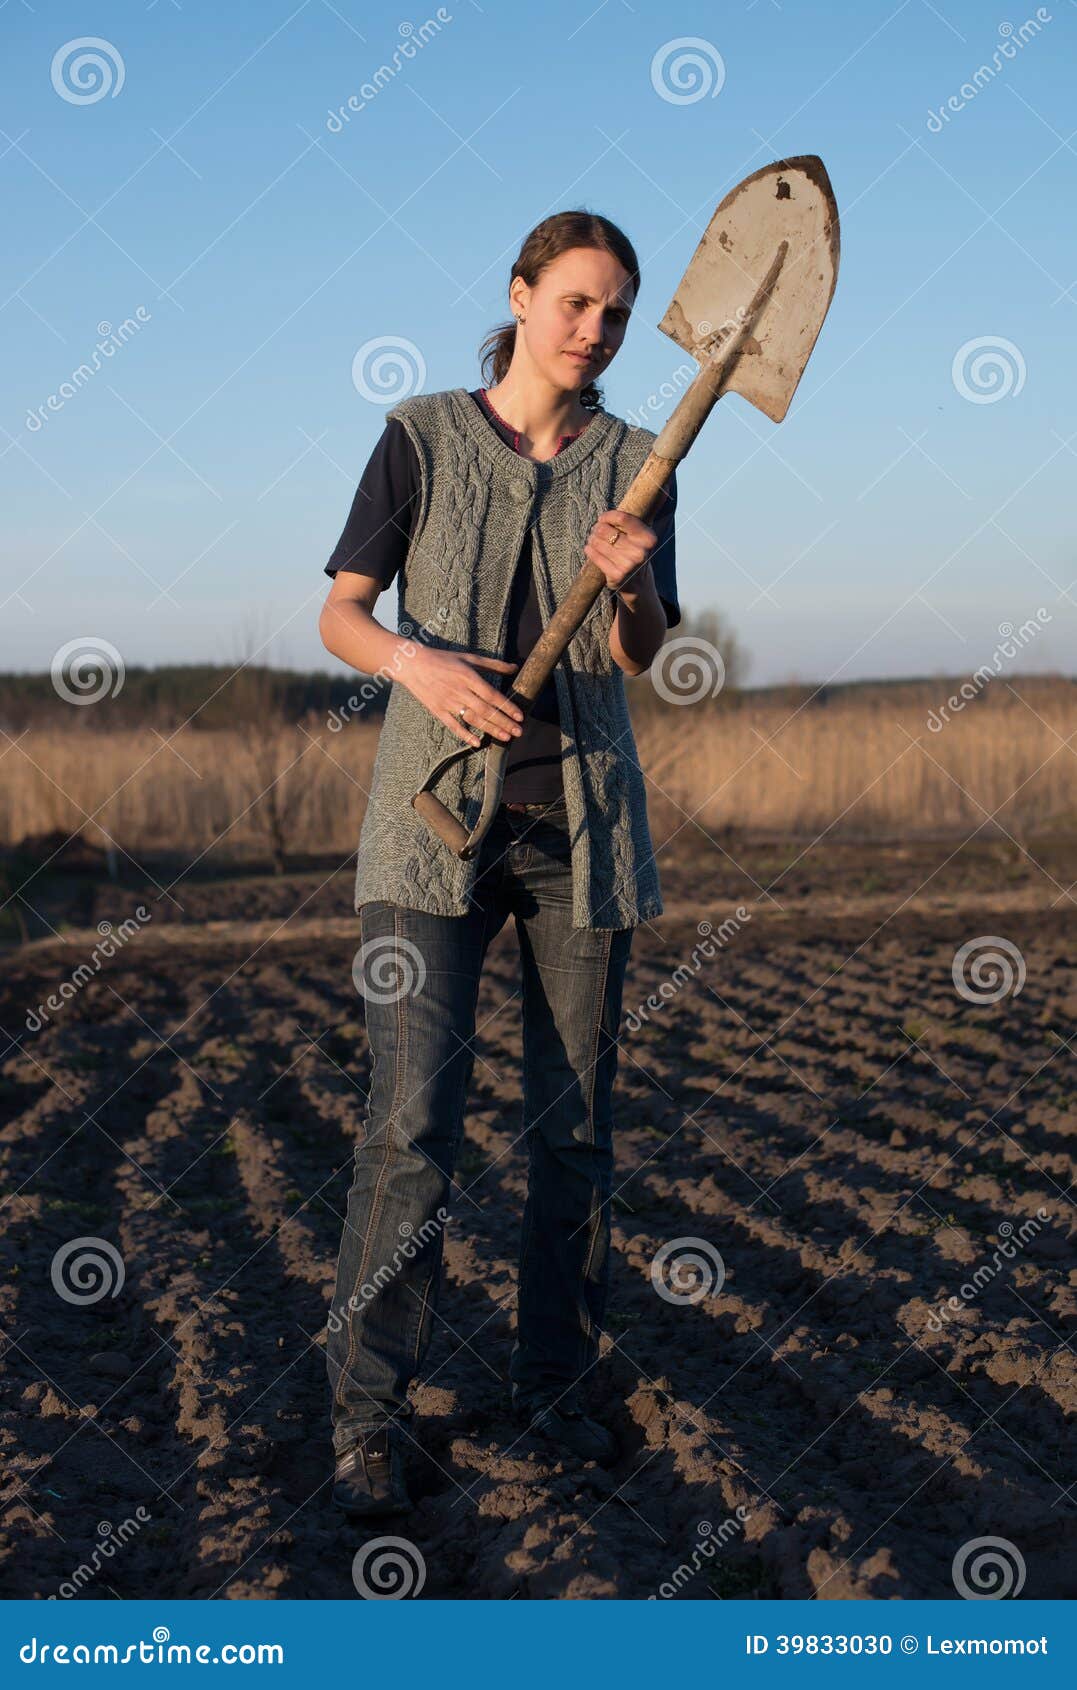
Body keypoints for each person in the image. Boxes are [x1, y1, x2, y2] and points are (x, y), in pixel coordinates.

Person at [318, 209, 679, 1518]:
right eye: (577, 302)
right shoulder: (419, 434)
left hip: (578, 836)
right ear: (520, 296)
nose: (597, 330)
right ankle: (364, 1415)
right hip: (429, 837)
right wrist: (412, 659)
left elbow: (641, 653)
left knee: (572, 1134)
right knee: (409, 1130)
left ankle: (550, 1387)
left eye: (618, 312)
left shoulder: (643, 461)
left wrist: (630, 584)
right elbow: (342, 612)